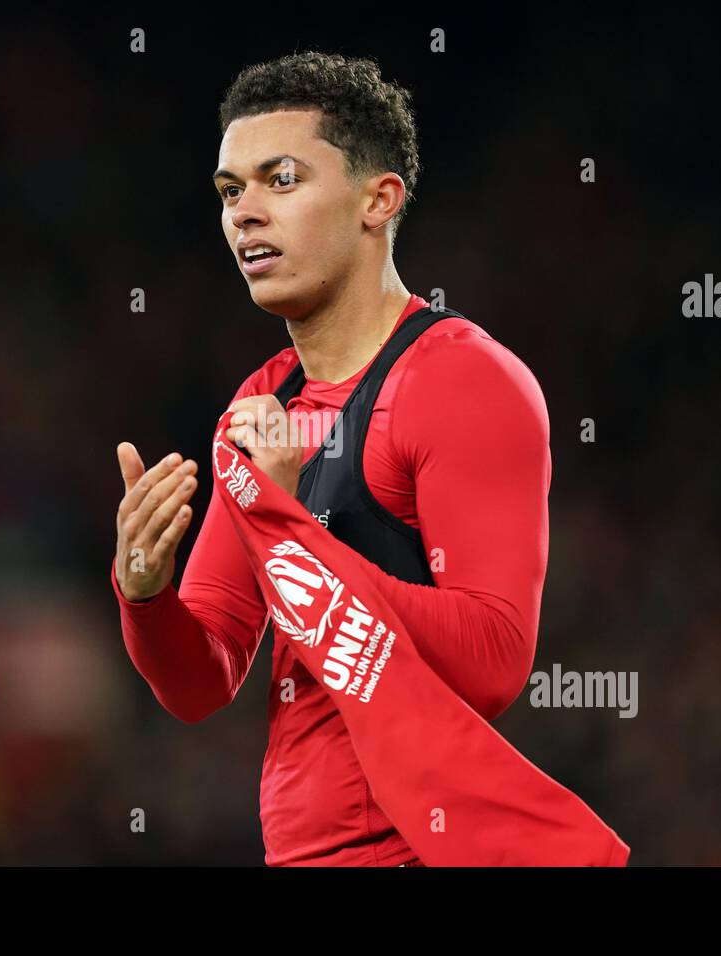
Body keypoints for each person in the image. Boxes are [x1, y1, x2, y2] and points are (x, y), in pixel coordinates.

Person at [110, 51, 620, 866]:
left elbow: (493, 658)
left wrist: (289, 533)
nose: (245, 214)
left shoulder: (461, 381)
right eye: (230, 191)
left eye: (281, 180)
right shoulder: (261, 406)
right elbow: (202, 683)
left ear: (378, 200)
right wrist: (143, 595)